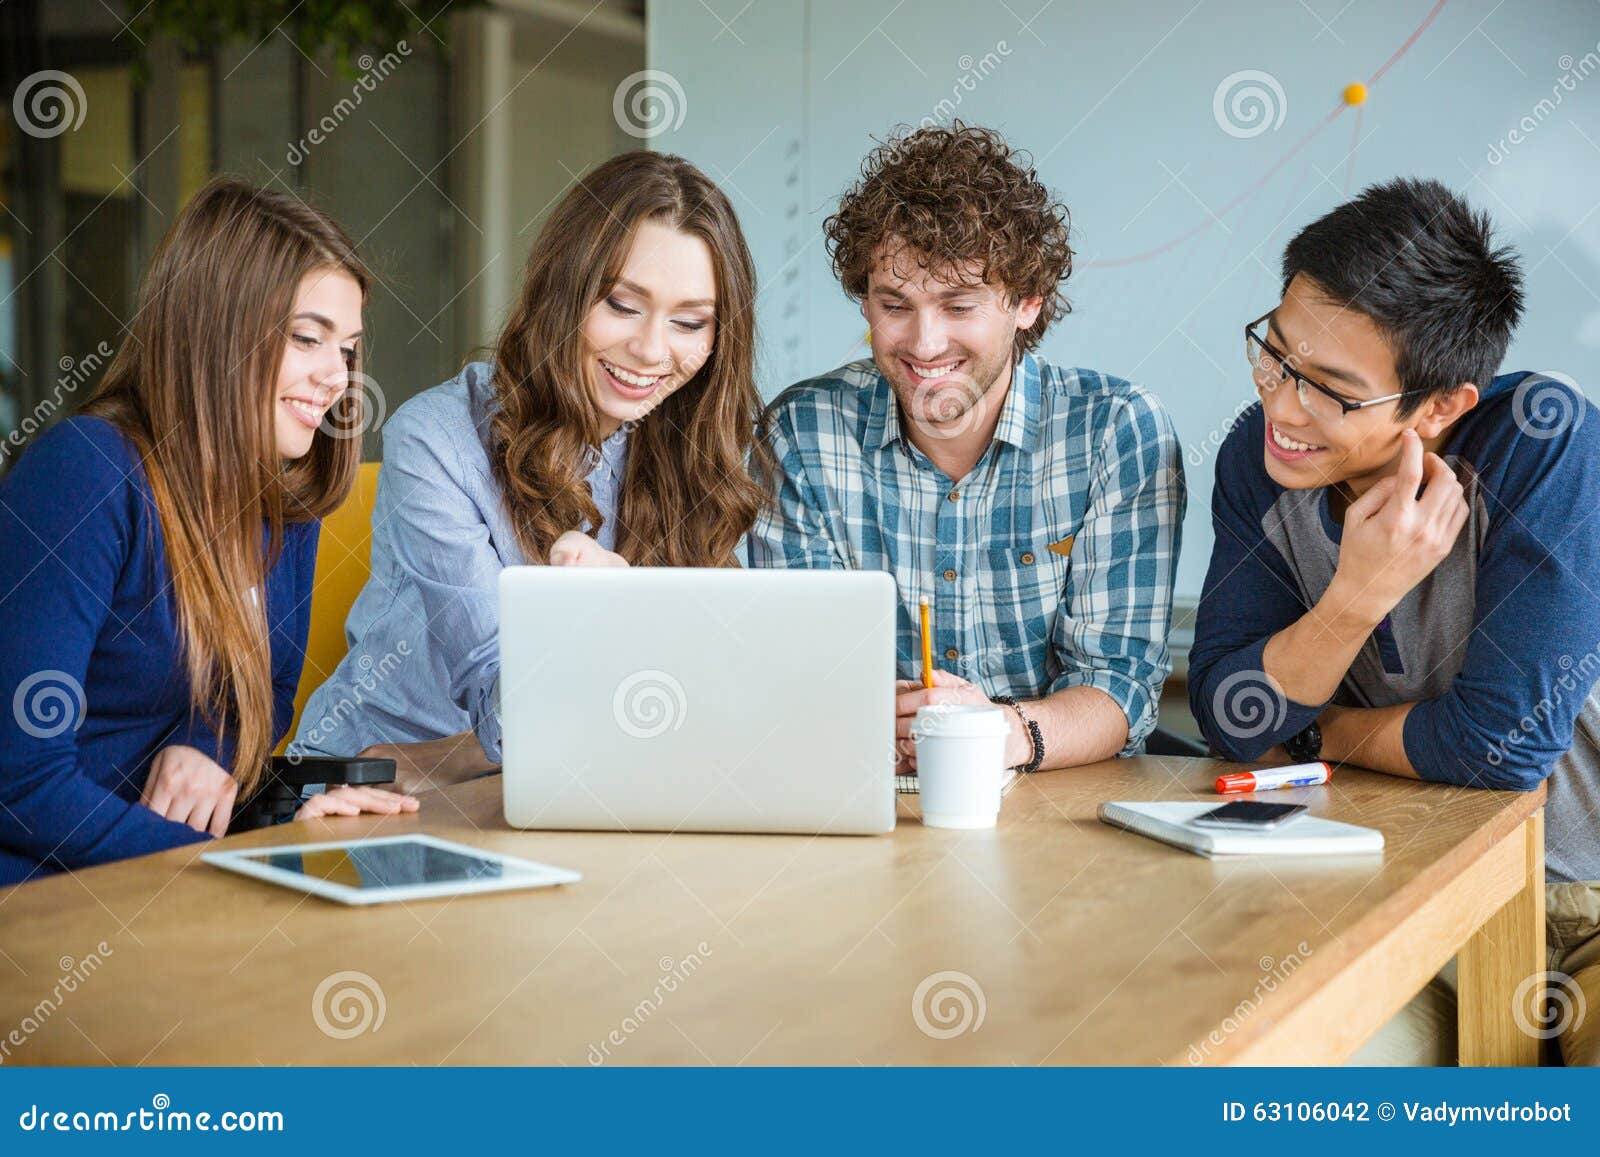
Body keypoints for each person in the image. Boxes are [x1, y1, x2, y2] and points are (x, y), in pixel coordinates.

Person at [1188, 177, 1600, 1065]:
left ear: (1441, 405)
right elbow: (1231, 714)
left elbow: (1501, 746)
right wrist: (1356, 598)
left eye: (1332, 391)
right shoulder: (1261, 460)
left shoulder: (1543, 441)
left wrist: (1313, 734)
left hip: (1585, 906)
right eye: (1276, 354)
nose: (1282, 406)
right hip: (1395, 896)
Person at [291, 151, 767, 793]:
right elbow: (514, 714)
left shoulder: (700, 448)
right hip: (368, 793)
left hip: (554, 779)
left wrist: (454, 756)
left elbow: (719, 697)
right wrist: (615, 627)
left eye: (689, 322)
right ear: (561, 291)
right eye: (622, 305)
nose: (652, 350)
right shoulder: (436, 438)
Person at [0, 177, 418, 886]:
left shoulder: (286, 493)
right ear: (218, 333)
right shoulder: (87, 470)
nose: (337, 377)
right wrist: (231, 859)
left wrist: (214, 752)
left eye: (348, 348)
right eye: (307, 338)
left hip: (163, 877)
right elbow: (19, 781)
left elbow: (269, 690)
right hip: (49, 893)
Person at [749, 124, 1185, 774]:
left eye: (958, 306)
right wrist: (865, 717)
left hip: (1061, 805)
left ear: (1026, 303)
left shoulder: (1115, 432)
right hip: (869, 793)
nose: (924, 344)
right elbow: (801, 674)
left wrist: (993, 735)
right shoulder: (802, 434)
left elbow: (1119, 687)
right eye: (895, 305)